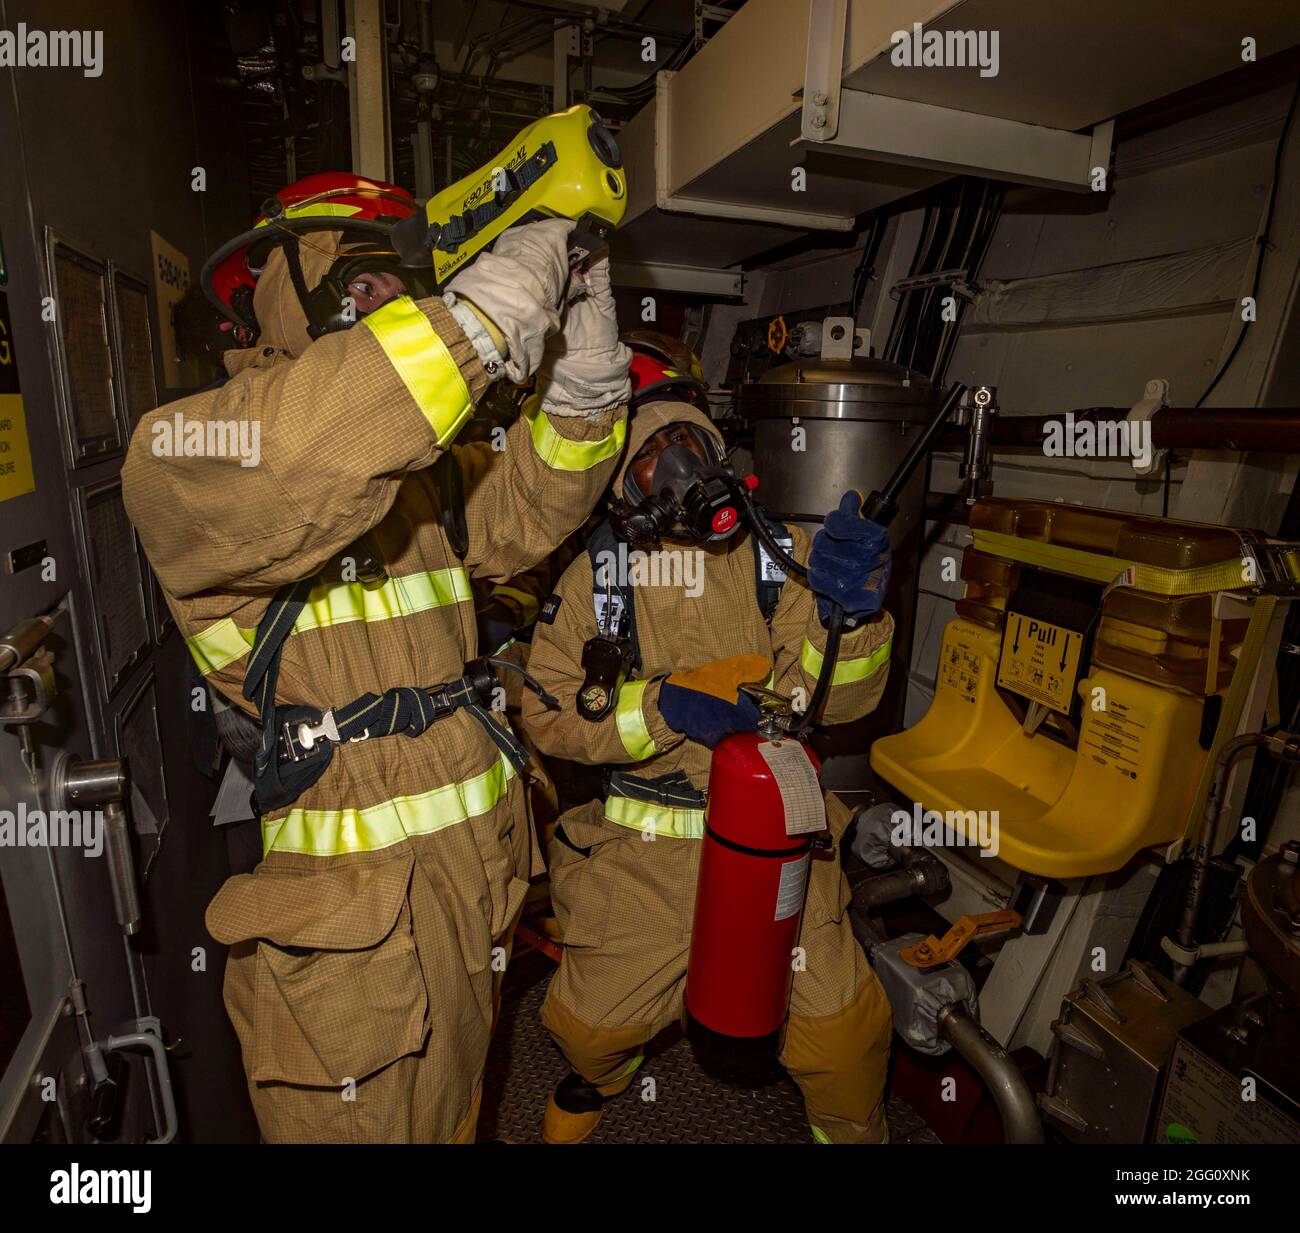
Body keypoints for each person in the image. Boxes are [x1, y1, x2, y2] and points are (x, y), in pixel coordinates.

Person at [122, 171, 630, 1143]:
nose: (389, 305)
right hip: (350, 942)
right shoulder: (184, 453)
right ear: (272, 290)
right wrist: (478, 322)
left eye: (397, 284)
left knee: (456, 1114)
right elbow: (311, 445)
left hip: (468, 884)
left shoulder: (413, 482)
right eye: (358, 281)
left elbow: (533, 505)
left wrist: (584, 379)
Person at [520, 355, 895, 1144]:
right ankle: (603, 1080)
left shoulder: (782, 556)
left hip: (774, 830)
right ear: (620, 482)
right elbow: (548, 710)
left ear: (718, 449)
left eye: (686, 440)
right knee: (588, 1026)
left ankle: (850, 1133)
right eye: (647, 455)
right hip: (644, 841)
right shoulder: (601, 579)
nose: (673, 468)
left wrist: (850, 619)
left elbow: (841, 698)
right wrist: (659, 709)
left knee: (840, 1036)